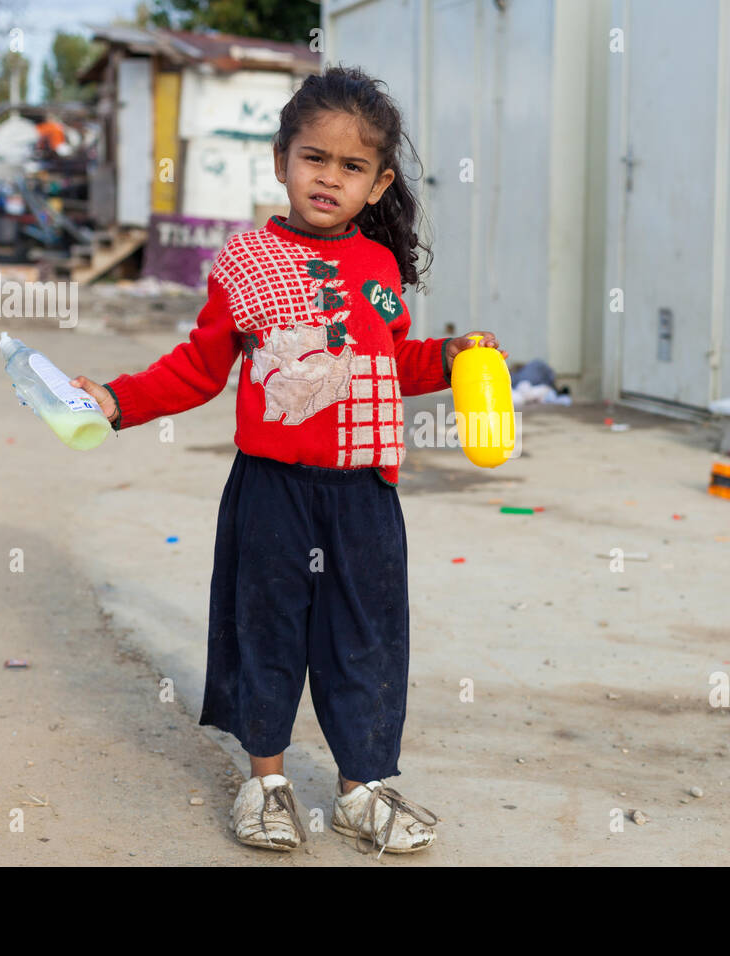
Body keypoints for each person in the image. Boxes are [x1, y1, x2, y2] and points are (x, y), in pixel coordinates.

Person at [70, 65, 508, 857]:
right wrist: (118, 399)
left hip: (365, 498)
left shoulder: (378, 267)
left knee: (365, 641)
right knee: (263, 633)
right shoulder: (242, 262)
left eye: (350, 167)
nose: (328, 178)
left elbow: (388, 364)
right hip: (272, 491)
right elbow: (199, 368)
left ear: (377, 185)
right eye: (314, 158)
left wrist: (448, 357)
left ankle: (360, 790)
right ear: (281, 162)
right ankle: (266, 782)